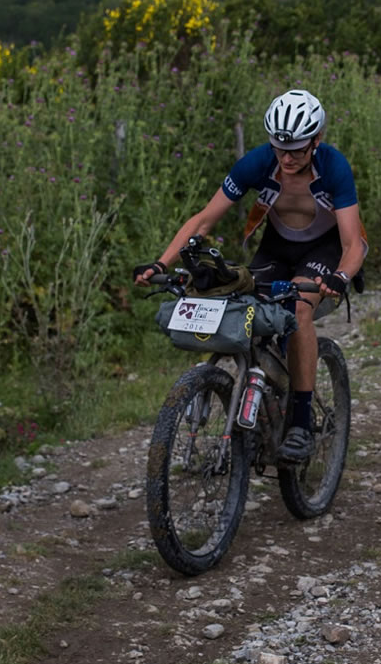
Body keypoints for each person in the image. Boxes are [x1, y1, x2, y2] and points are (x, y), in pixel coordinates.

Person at [133, 89, 366, 464]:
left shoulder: (334, 167)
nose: (287, 158)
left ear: (317, 140)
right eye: (279, 148)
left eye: (297, 150)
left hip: (325, 249)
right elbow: (204, 220)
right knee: (241, 302)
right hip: (277, 246)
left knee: (300, 309)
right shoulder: (257, 163)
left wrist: (340, 276)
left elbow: (353, 242)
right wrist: (161, 264)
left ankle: (301, 425)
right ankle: (258, 408)